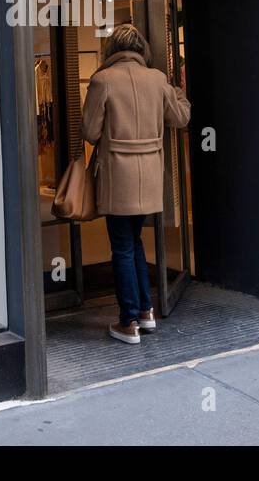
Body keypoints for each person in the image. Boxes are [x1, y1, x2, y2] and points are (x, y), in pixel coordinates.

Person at [81, 23, 190, 345]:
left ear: (111, 50)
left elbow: (89, 132)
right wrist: (178, 93)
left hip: (118, 176)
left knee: (122, 248)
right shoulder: (157, 79)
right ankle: (146, 312)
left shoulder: (102, 80)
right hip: (150, 177)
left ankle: (128, 322)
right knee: (135, 244)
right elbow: (180, 118)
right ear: (141, 48)